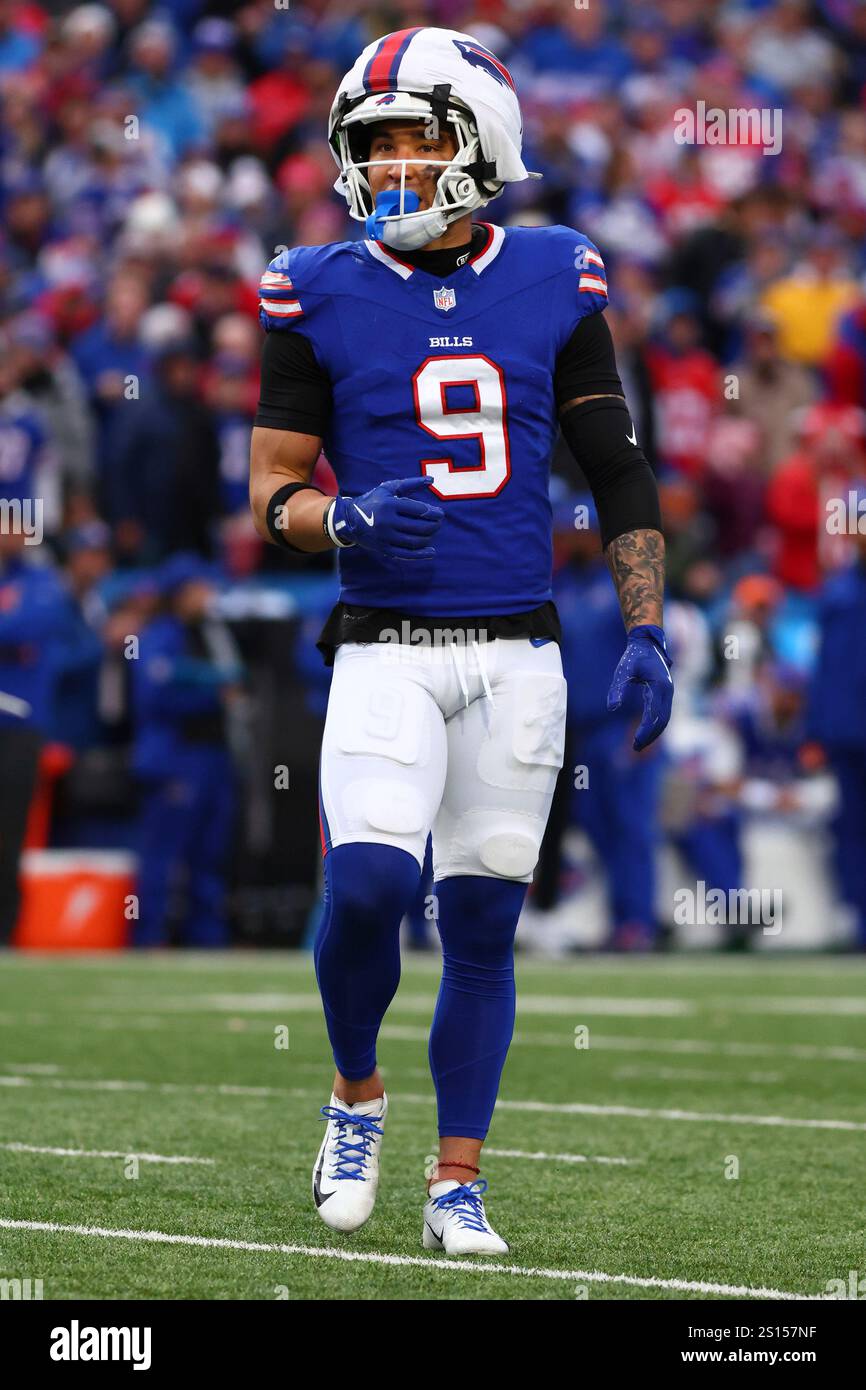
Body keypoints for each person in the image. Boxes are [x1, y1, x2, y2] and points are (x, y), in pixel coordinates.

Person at [249, 26, 673, 1255]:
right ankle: (353, 1091)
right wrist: (342, 516)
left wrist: (643, 628)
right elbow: (272, 494)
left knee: (480, 920)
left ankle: (456, 1181)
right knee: (372, 882)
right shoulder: (310, 285)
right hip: (384, 638)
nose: (386, 164)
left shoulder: (556, 271)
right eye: (369, 142)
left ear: (476, 139)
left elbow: (614, 464)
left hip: (519, 653)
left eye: (411, 137)